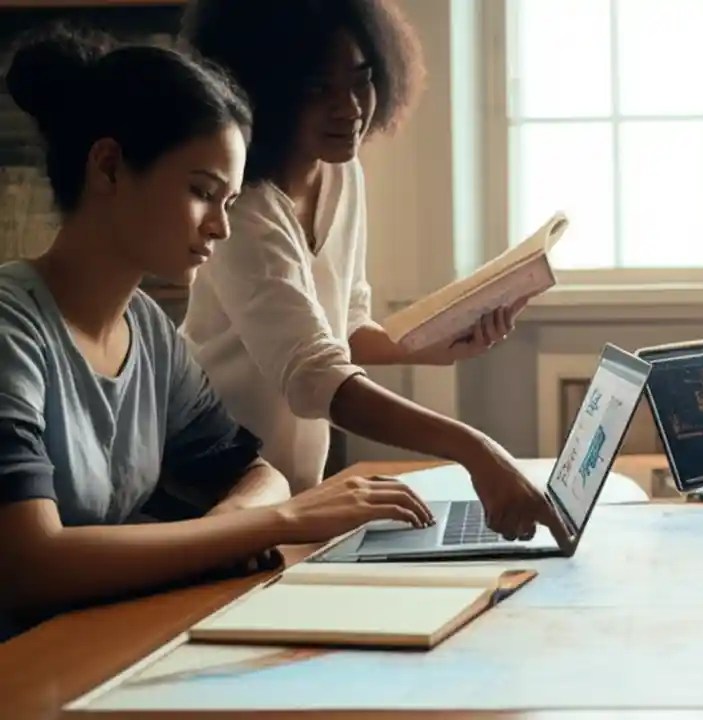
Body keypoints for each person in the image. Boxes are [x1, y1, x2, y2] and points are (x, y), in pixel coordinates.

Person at [0, 27, 431, 641]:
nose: (222, 228)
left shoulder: (147, 332)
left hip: (95, 642)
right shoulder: (12, 328)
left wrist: (247, 522)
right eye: (203, 193)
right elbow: (29, 564)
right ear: (109, 167)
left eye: (230, 200)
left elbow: (259, 476)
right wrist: (268, 524)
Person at [178, 0, 566, 544]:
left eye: (361, 80)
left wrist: (431, 343)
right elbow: (314, 373)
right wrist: (476, 449)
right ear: (264, 90)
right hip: (216, 495)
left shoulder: (343, 174)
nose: (350, 109)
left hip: (295, 494)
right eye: (318, 89)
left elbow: (344, 323)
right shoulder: (242, 208)